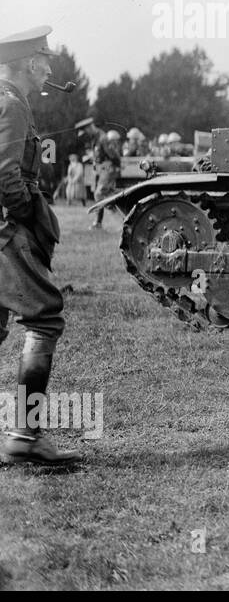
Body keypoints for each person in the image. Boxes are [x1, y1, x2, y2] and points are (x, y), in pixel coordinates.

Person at [0, 26, 80, 465]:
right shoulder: (11, 105)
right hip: (7, 229)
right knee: (44, 317)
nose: (50, 67)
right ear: (31, 63)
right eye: (45, 59)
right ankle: (24, 437)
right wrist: (28, 216)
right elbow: (7, 178)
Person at [90, 129, 122, 229]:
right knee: (105, 194)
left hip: (108, 170)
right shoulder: (102, 143)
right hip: (102, 170)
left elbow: (115, 158)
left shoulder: (110, 147)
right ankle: (99, 222)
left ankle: (116, 218)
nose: (113, 143)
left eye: (115, 141)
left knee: (100, 194)